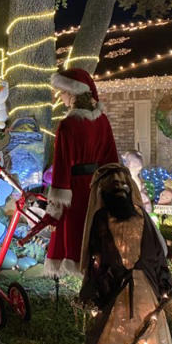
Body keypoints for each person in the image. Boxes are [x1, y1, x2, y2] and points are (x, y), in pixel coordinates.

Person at [79, 163, 172, 344]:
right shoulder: (101, 220)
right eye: (112, 185)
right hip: (117, 294)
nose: (118, 188)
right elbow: (98, 261)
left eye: (121, 184)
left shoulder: (142, 217)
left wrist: (167, 292)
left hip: (146, 295)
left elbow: (157, 258)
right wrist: (92, 294)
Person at [45, 68, 119, 276]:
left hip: (76, 189)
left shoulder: (68, 125)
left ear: (73, 93)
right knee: (96, 229)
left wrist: (56, 203)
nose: (61, 97)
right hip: (97, 187)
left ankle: (79, 269)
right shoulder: (102, 121)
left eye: (62, 92)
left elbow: (61, 166)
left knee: (76, 231)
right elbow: (111, 158)